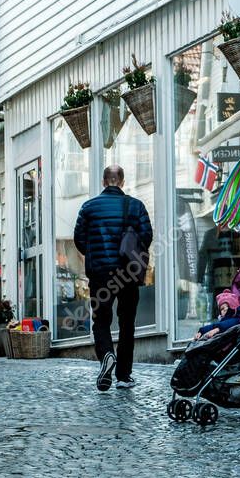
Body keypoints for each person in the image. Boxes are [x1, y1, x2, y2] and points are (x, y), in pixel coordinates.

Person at [74, 165, 153, 392]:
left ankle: (107, 355)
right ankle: (123, 376)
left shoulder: (88, 208)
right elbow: (147, 236)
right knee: (127, 323)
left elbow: (79, 239)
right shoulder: (136, 206)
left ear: (103, 181)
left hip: (100, 273)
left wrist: (95, 254)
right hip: (127, 272)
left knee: (101, 320)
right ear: (122, 181)